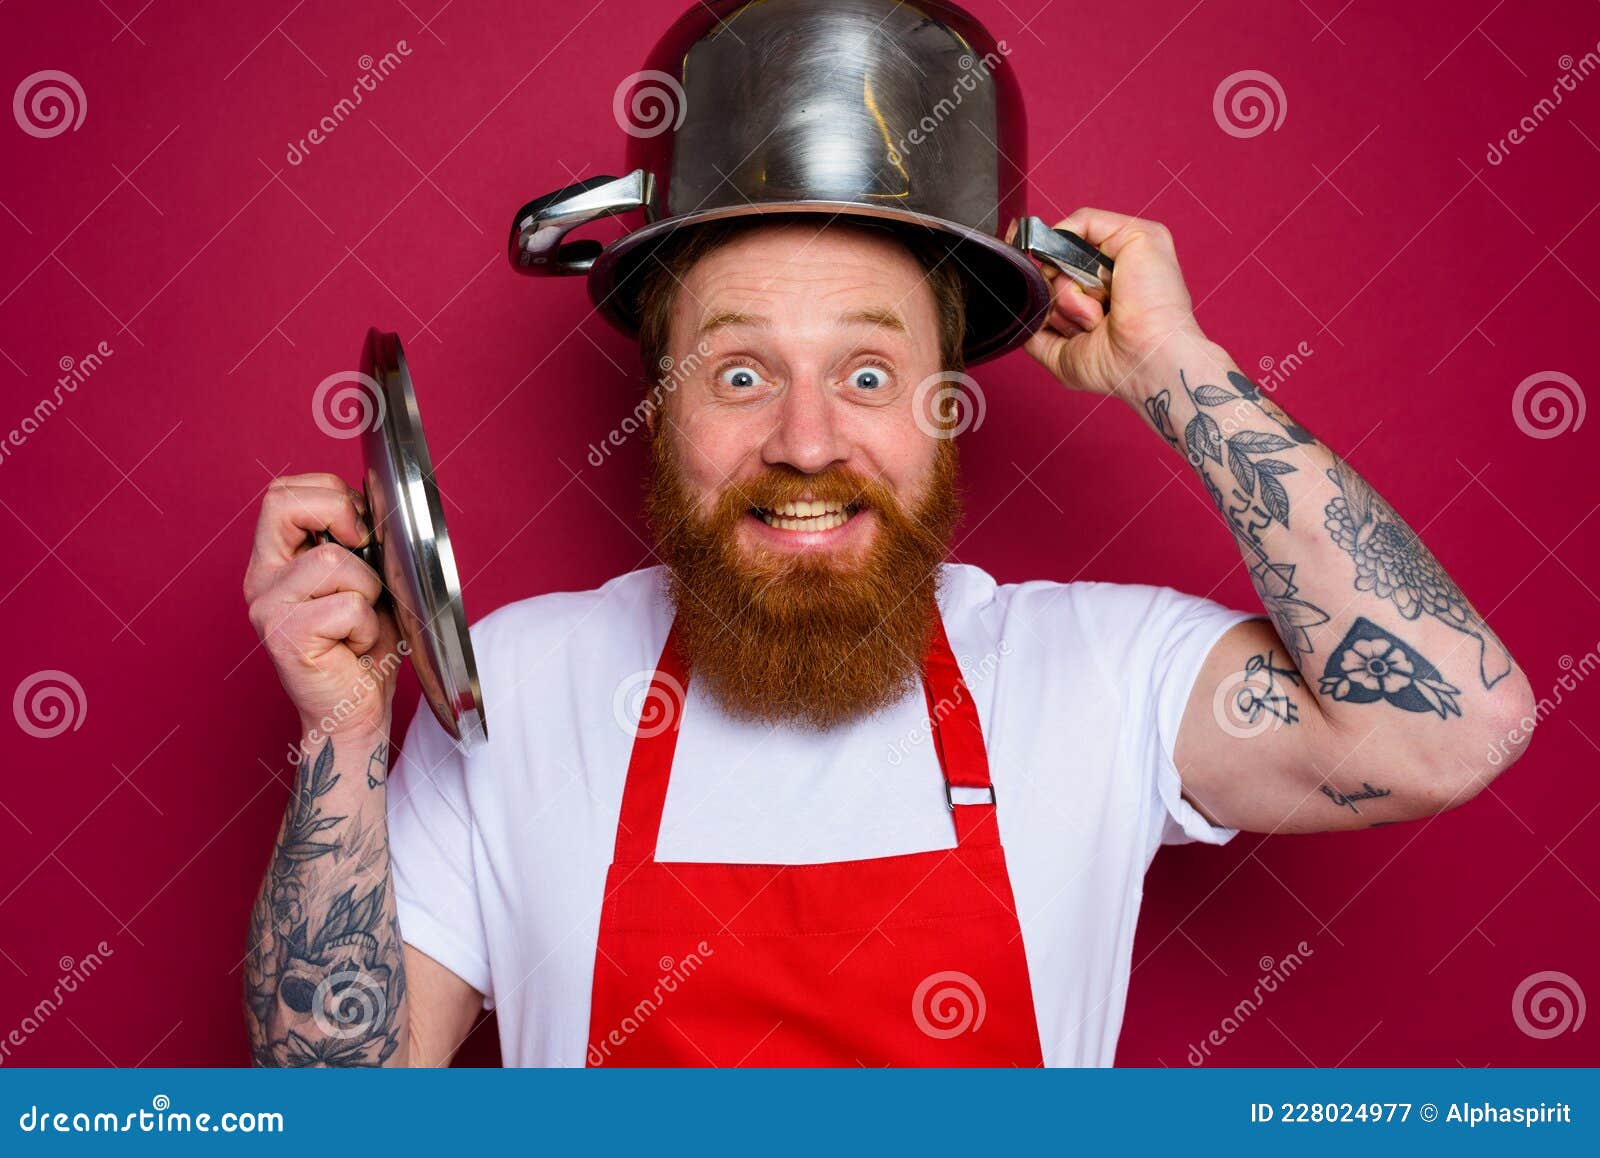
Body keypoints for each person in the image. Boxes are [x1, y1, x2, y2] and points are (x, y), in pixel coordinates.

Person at [241, 208, 1535, 1067]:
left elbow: (1445, 726)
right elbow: (331, 1110)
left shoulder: (1095, 674)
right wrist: (344, 735)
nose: (806, 439)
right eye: (740, 374)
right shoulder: (518, 687)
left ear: (949, 413)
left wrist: (1172, 367)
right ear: (657, 412)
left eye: (869, 376)